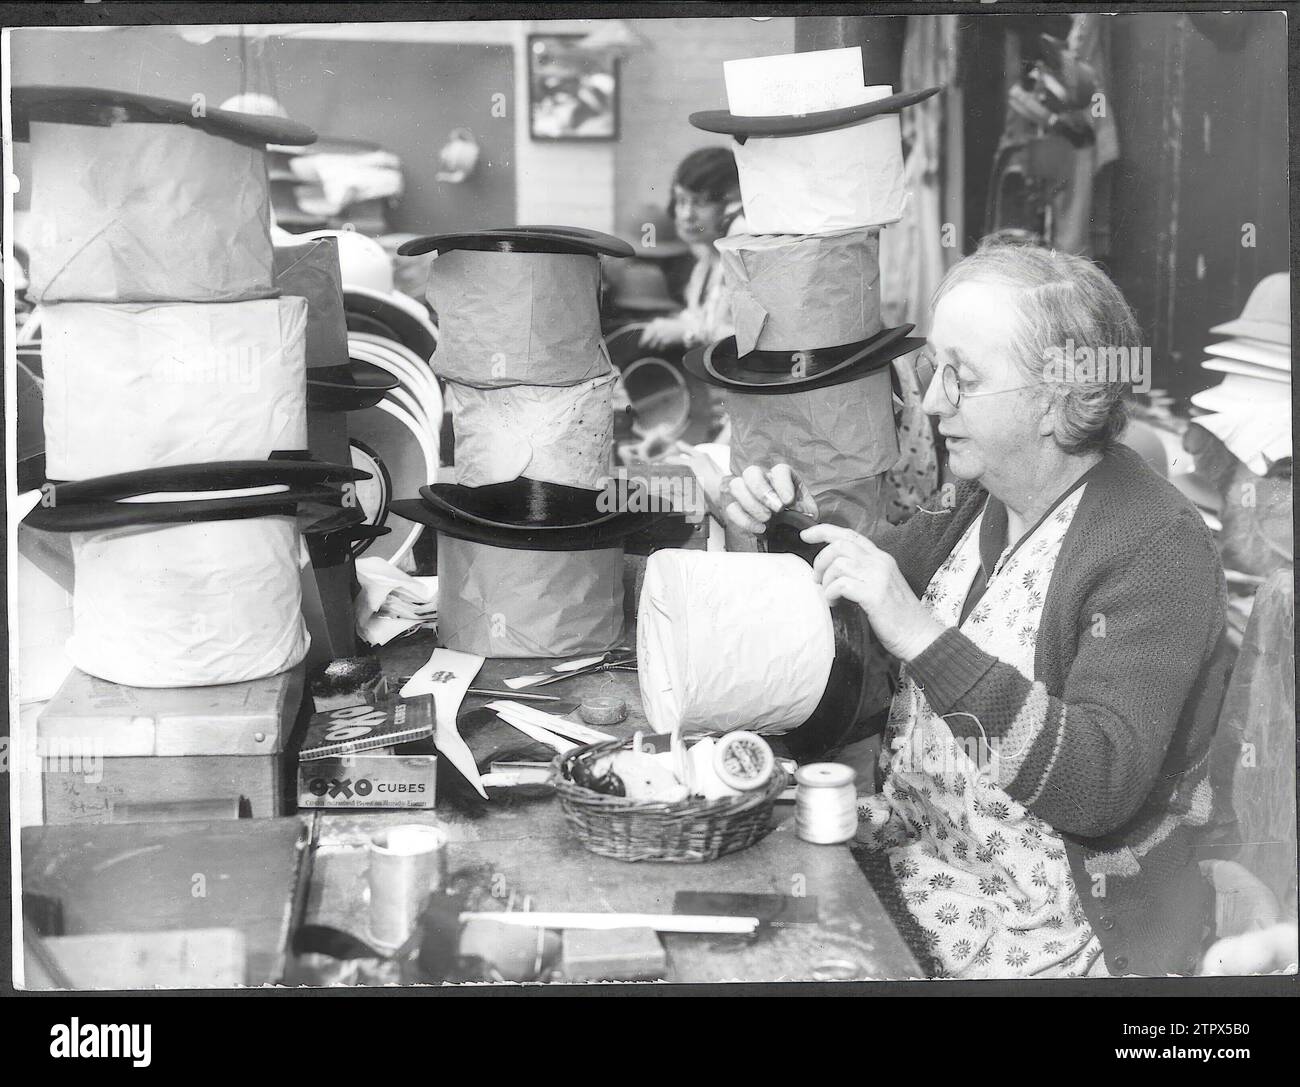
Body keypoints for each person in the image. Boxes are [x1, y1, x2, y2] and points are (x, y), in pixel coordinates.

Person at [721, 242, 1230, 979]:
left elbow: (1097, 786)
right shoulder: (975, 497)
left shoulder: (1158, 547)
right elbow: (858, 619)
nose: (931, 402)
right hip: (919, 860)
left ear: (1058, 399)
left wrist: (923, 636)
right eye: (935, 370)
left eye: (963, 378)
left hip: (1047, 933)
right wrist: (786, 530)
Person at [638, 147, 743, 351]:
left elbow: (753, 340)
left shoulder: (741, 266)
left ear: (731, 205)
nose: (686, 214)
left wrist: (688, 333)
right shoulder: (702, 267)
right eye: (681, 201)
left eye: (700, 203)